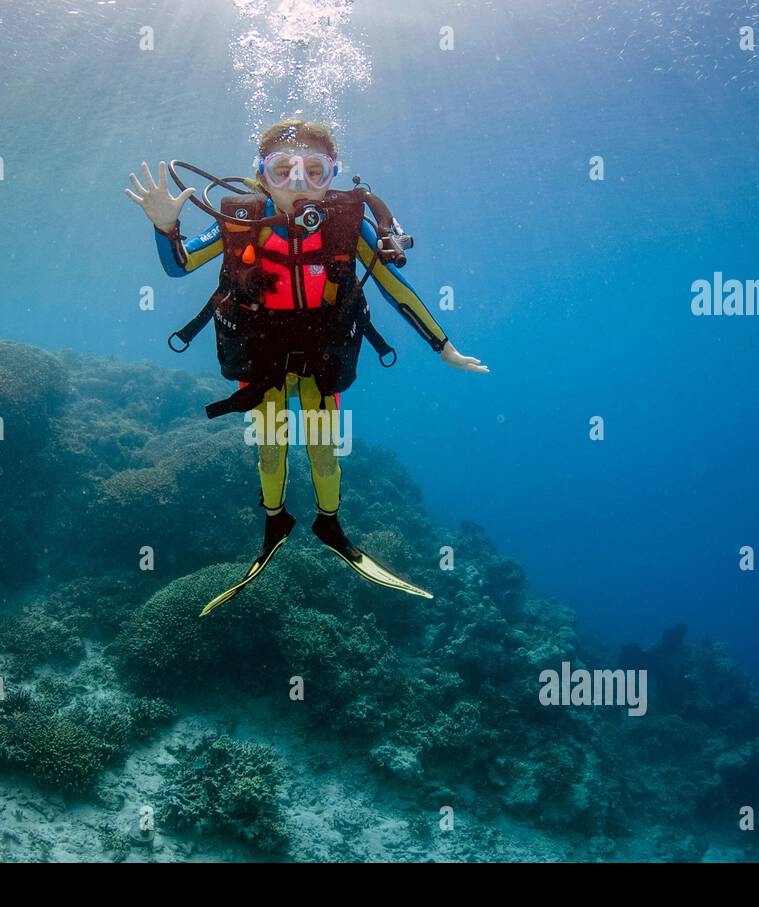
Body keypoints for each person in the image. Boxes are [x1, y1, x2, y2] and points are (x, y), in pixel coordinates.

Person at [126, 118, 488, 614]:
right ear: (260, 174)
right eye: (282, 169)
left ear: (332, 176)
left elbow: (395, 287)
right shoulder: (239, 217)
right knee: (271, 453)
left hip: (322, 355)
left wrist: (443, 347)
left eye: (314, 171)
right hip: (261, 358)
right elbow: (180, 263)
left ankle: (329, 523)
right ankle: (274, 520)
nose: (297, 182)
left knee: (323, 453)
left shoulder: (346, 221)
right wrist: (165, 225)